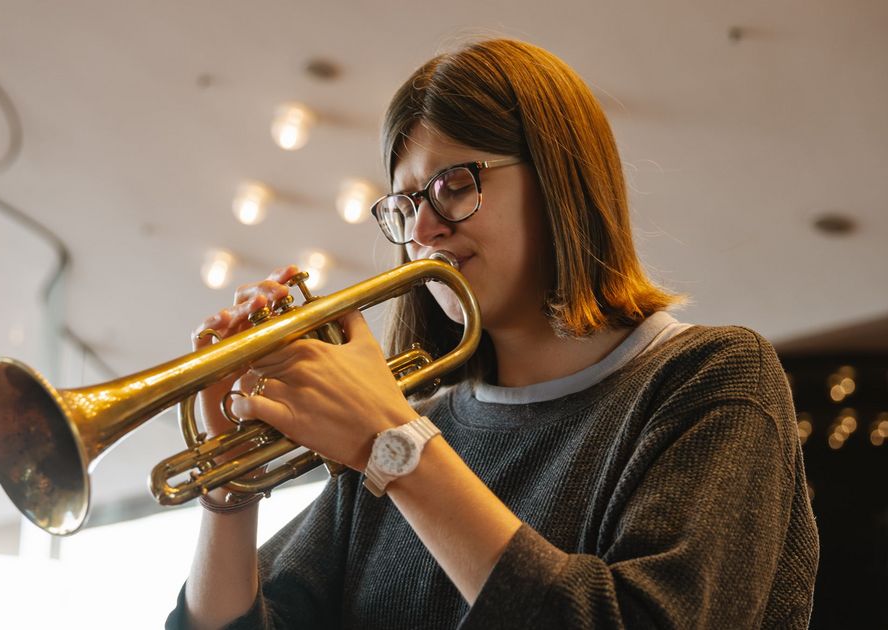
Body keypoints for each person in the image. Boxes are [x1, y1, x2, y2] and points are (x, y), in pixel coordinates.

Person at [166, 38, 819, 629]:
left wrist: (396, 446)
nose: (422, 232)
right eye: (404, 206)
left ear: (561, 180)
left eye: (452, 185)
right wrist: (228, 490)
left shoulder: (712, 377)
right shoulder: (407, 429)